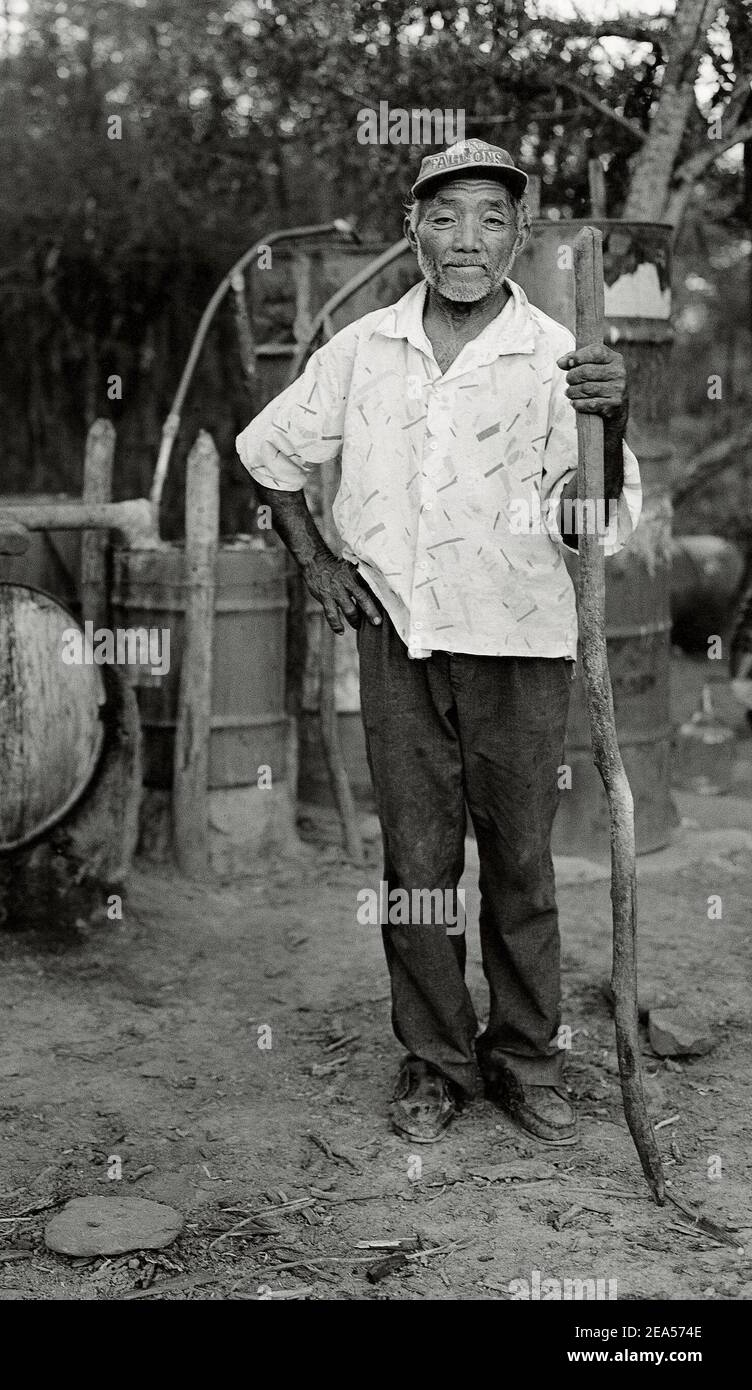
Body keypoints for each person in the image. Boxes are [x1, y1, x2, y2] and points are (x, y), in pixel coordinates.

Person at [237, 139, 642, 1146]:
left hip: (520, 644)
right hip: (400, 641)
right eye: (446, 216)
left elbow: (590, 525)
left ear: (520, 235)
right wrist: (316, 560)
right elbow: (268, 454)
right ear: (413, 228)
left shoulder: (560, 357)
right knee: (416, 866)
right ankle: (434, 1063)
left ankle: (525, 1058)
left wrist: (613, 413)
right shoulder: (364, 347)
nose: (466, 239)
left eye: (491, 219)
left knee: (520, 864)